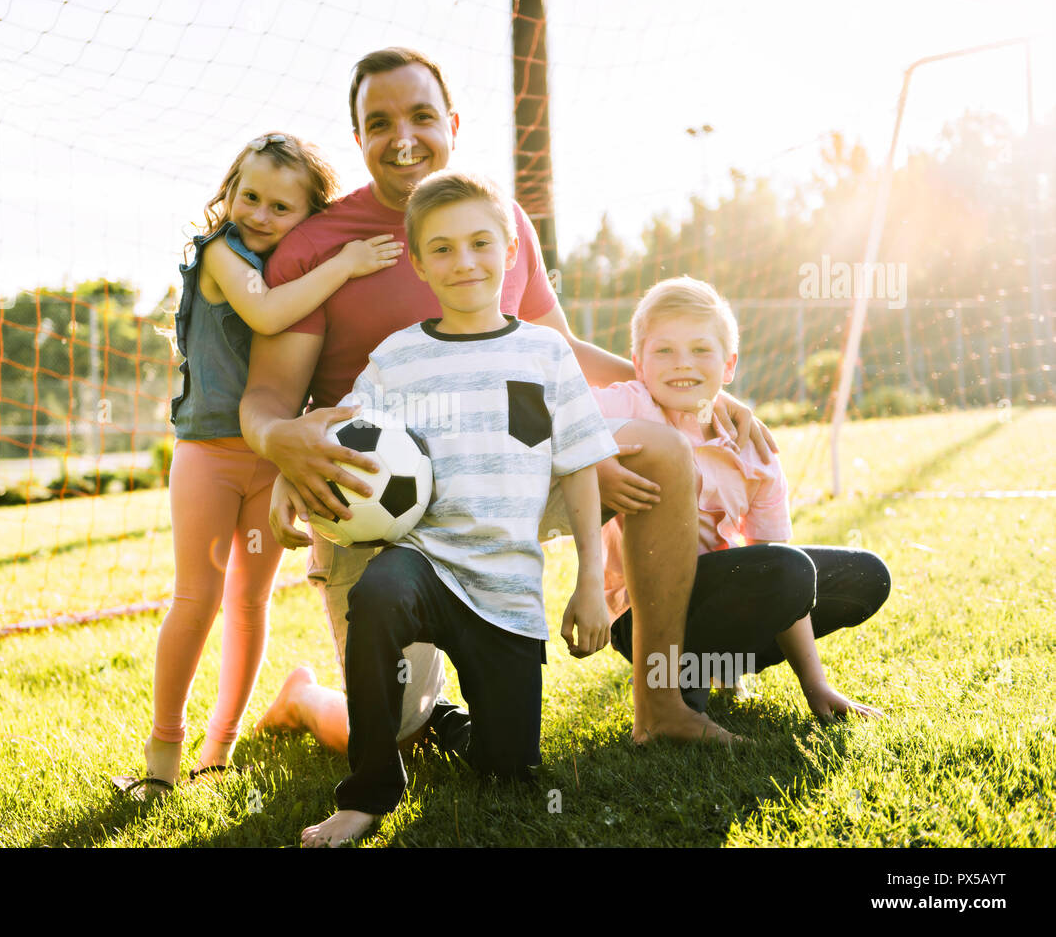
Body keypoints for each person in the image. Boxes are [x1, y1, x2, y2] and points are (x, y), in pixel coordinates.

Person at [246, 47, 768, 751]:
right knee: (398, 727)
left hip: (502, 472)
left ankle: (664, 706)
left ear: (453, 123)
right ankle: (307, 698)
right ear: (360, 138)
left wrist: (690, 396)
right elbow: (266, 402)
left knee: (663, 453)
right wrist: (282, 444)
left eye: (422, 115)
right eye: (380, 122)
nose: (404, 136)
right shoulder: (317, 248)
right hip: (382, 506)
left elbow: (554, 353)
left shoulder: (501, 220)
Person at [301, 172, 619, 847]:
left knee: (510, 770)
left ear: (510, 250)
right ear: (417, 262)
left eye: (480, 243)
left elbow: (581, 468)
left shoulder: (545, 353)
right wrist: (284, 479)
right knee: (382, 591)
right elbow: (338, 433)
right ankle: (368, 793)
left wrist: (591, 581)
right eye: (441, 249)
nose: (464, 261)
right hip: (425, 565)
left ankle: (444, 722)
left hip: (506, 589)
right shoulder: (397, 359)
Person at [113, 132, 403, 799]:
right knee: (200, 597)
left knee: (250, 601)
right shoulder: (222, 253)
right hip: (210, 455)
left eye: (281, 206)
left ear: (308, 215)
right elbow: (267, 310)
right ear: (230, 191)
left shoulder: (300, 265)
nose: (261, 215)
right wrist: (348, 261)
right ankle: (163, 756)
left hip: (275, 460)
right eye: (250, 197)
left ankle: (220, 748)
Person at [592, 276, 890, 719]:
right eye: (664, 351)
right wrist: (596, 459)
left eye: (700, 350)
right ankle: (672, 676)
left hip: (720, 590)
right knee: (787, 570)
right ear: (637, 362)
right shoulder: (628, 404)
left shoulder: (754, 449)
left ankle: (715, 661)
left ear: (728, 366)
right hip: (640, 617)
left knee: (862, 574)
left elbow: (777, 567)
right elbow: (556, 416)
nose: (682, 364)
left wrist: (816, 687)